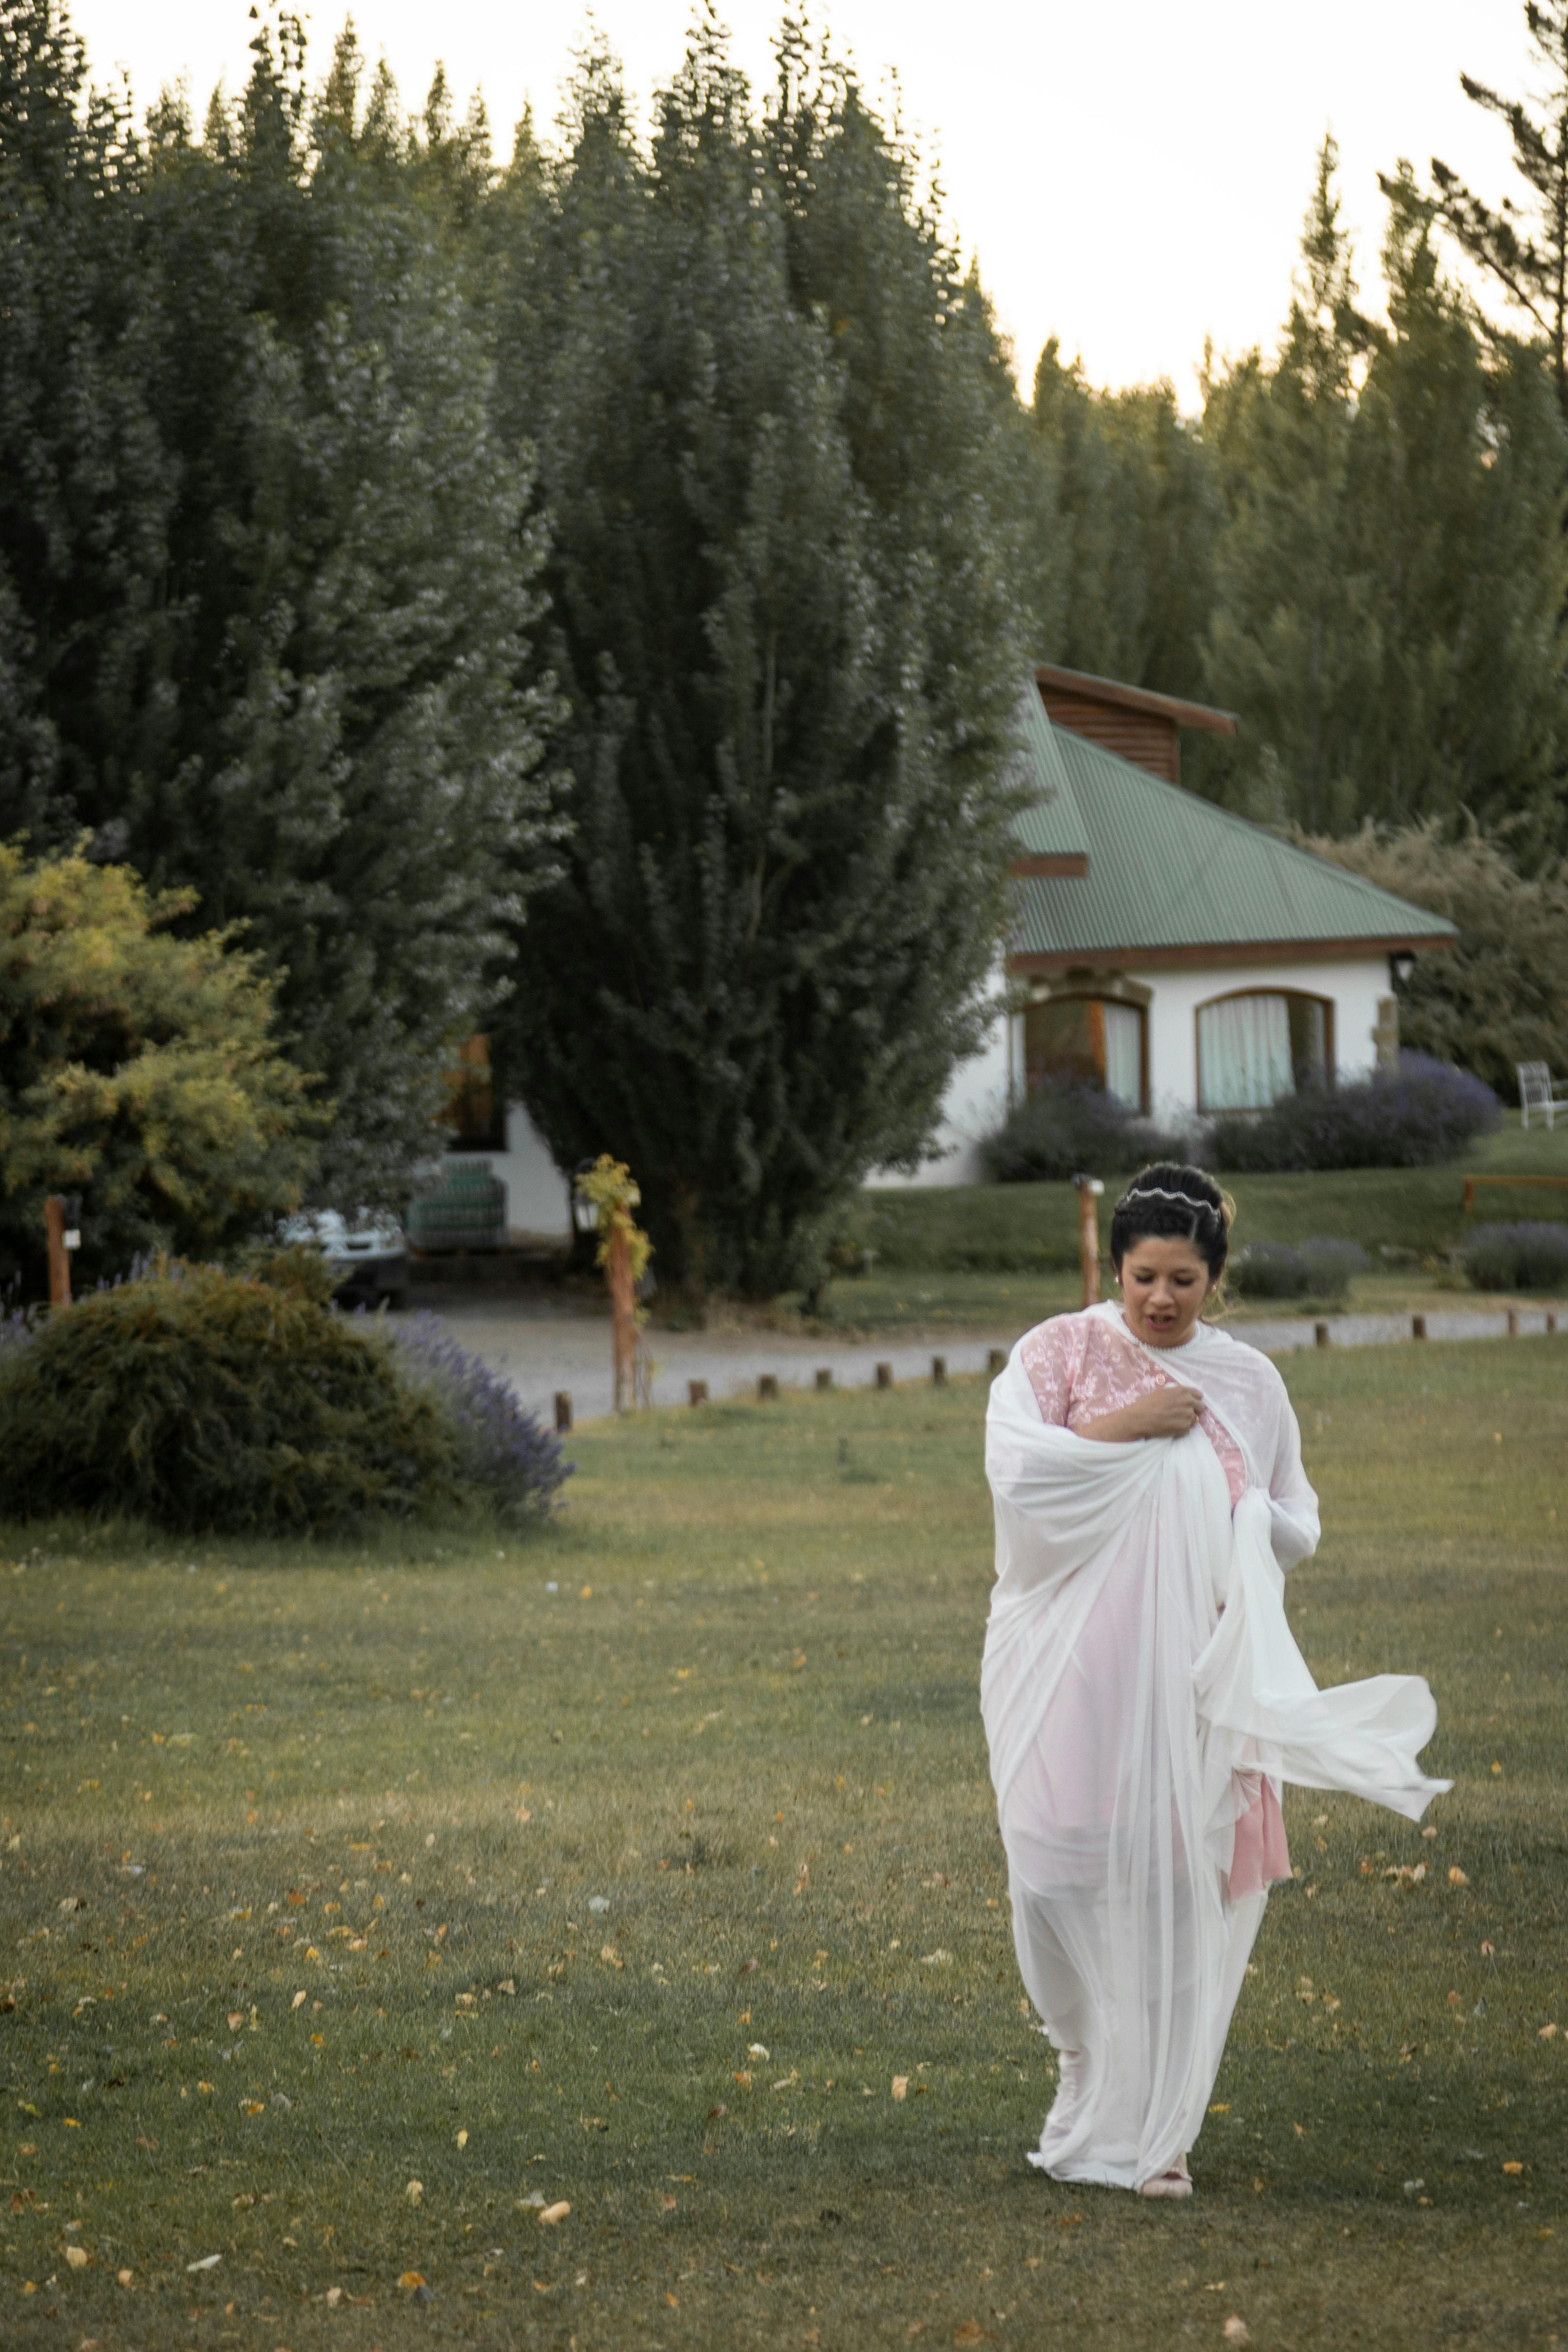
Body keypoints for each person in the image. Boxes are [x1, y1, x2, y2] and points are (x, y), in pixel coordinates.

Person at [980, 1162, 1449, 2199]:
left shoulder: (1245, 1380)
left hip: (1192, 1667)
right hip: (1065, 1658)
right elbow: (1018, 1470)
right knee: (1051, 1866)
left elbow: (1292, 1517)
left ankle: (1162, 2131)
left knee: (1181, 1881)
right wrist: (1127, 1428)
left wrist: (1225, 1516)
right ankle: (1082, 2064)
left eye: (1182, 1279)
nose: (1159, 1297)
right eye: (1143, 1275)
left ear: (1213, 1279)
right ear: (1115, 1268)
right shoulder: (1057, 1349)